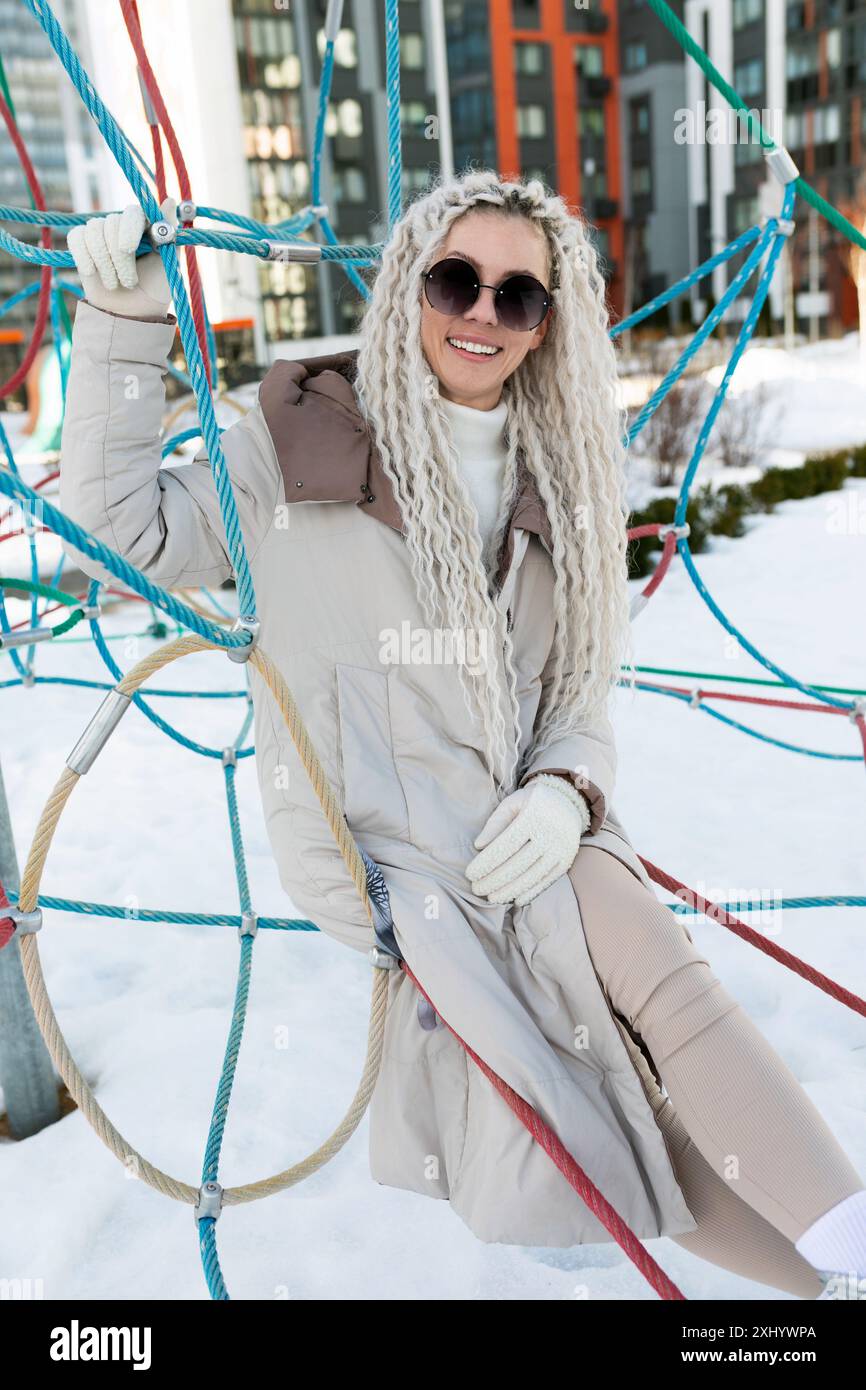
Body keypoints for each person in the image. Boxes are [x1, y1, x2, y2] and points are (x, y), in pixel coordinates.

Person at [60, 172, 865, 1299]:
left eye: (517, 297)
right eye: (455, 281)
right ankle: (828, 1280)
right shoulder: (299, 443)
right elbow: (119, 542)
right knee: (583, 1090)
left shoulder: (564, 470)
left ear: (548, 323)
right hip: (397, 864)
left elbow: (581, 686)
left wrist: (568, 792)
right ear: (409, 288)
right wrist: (123, 324)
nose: (481, 315)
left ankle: (836, 1274)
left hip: (530, 832)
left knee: (652, 977)